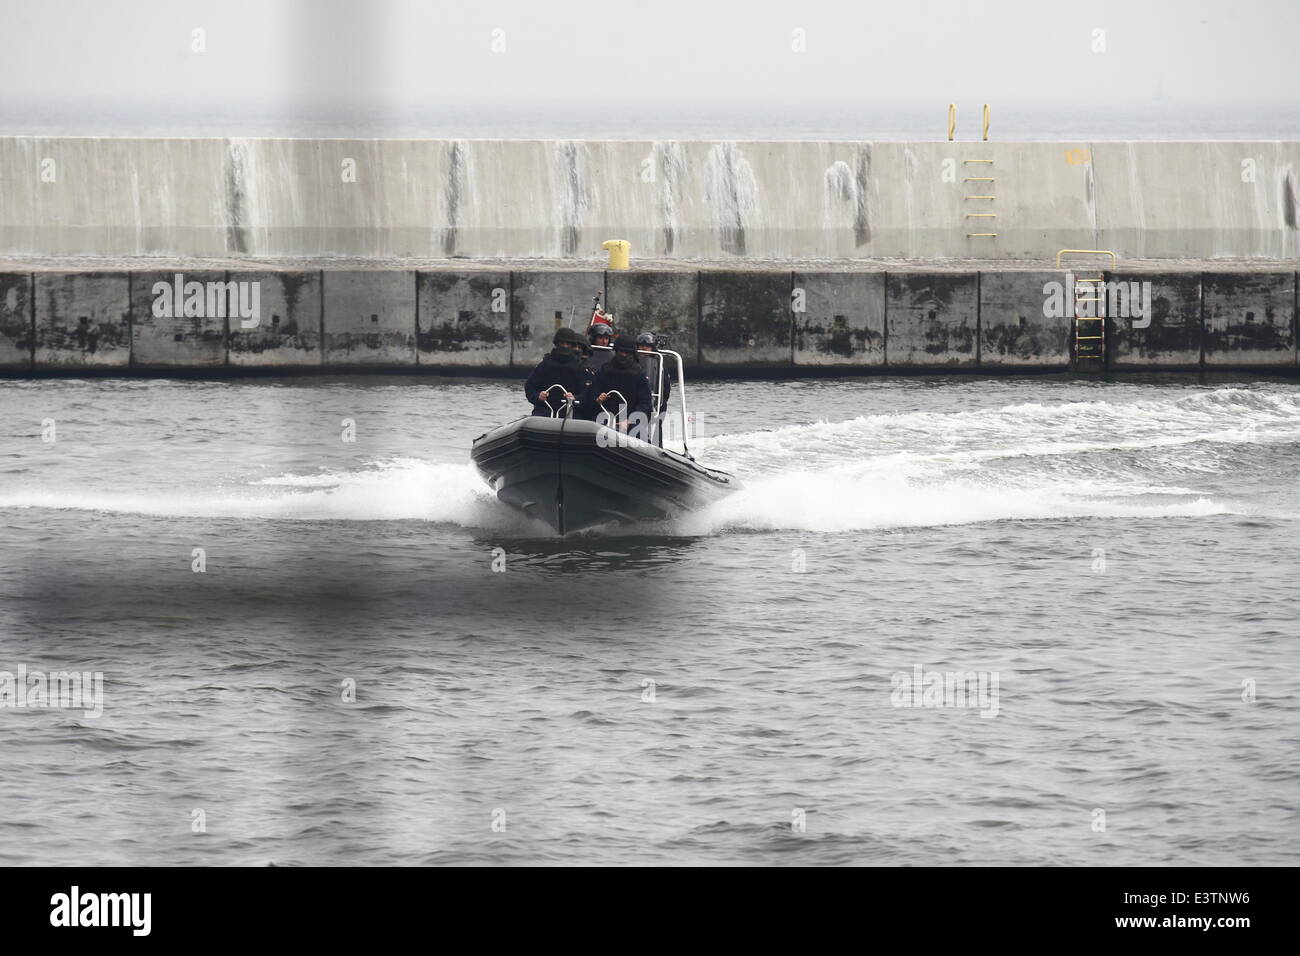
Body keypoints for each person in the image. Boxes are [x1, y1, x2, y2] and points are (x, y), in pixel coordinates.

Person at [524, 327, 594, 417]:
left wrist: (575, 398)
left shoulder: (581, 368)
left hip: (571, 412)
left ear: (572, 346)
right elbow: (530, 387)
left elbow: (588, 393)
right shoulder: (544, 365)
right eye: (562, 343)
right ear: (557, 344)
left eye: (568, 344)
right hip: (544, 410)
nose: (564, 346)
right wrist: (538, 396)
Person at [591, 333, 653, 433]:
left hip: (631, 418)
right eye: (621, 352)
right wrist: (598, 399)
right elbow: (592, 393)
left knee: (637, 432)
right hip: (605, 414)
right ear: (616, 351)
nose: (624, 355)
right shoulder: (604, 371)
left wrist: (629, 420)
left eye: (627, 353)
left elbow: (645, 403)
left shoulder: (639, 374)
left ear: (632, 353)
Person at [635, 332, 671, 415]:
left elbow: (666, 388)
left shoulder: (659, 364)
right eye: (641, 345)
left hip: (652, 400)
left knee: (662, 407)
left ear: (652, 348)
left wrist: (659, 402)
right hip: (634, 400)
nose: (644, 348)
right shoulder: (631, 362)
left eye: (647, 346)